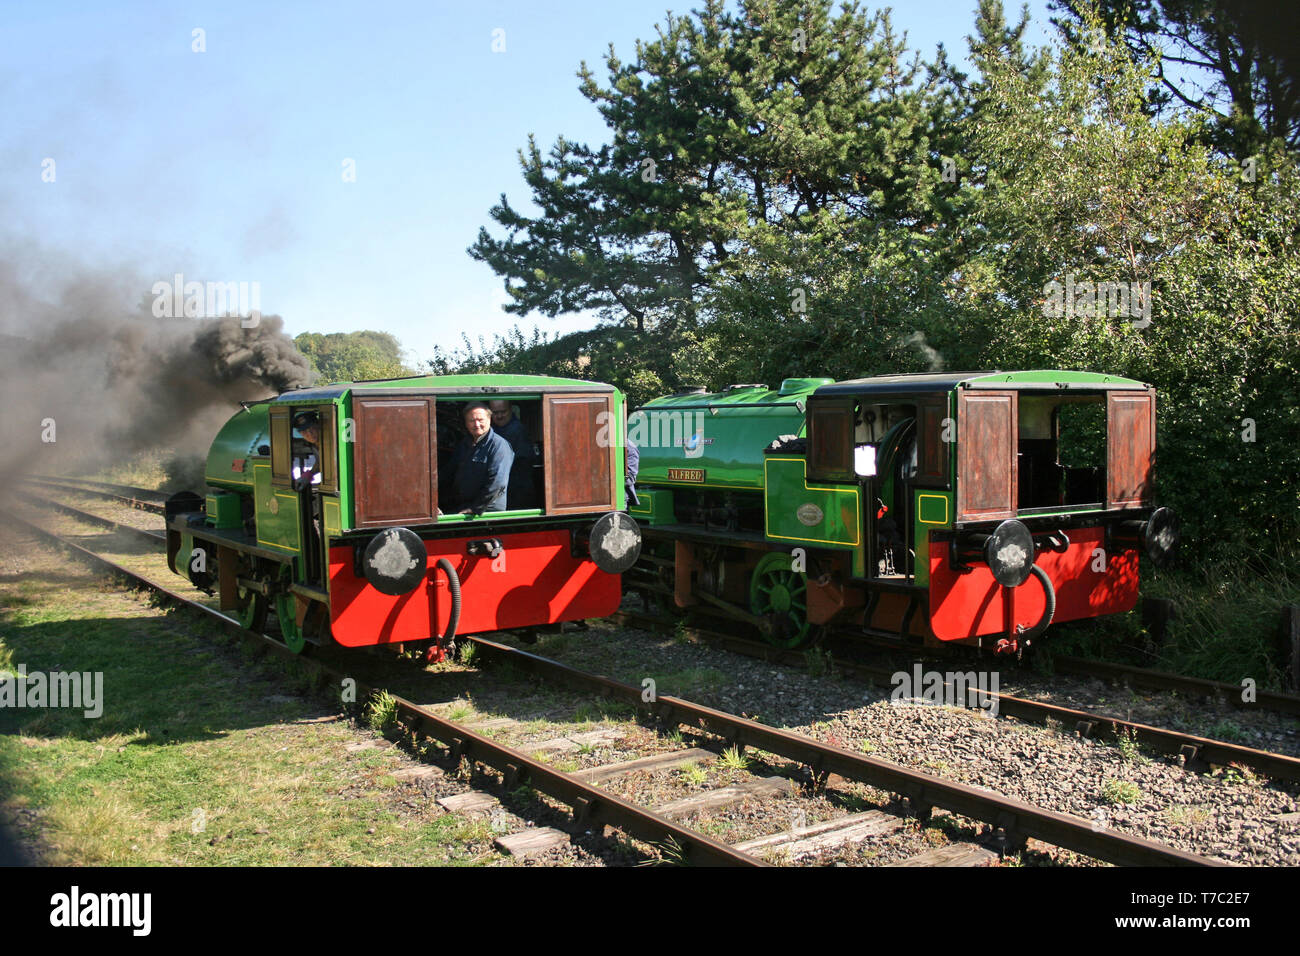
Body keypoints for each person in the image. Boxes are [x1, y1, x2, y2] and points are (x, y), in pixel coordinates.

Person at [446, 402, 514, 515]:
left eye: (480, 420)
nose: (476, 424)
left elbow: (498, 483)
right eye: (472, 421)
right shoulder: (465, 444)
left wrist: (476, 508)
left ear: (489, 420)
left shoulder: (499, 446)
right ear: (466, 423)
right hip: (464, 506)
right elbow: (449, 472)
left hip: (486, 512)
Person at [489, 400, 539, 509]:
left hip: (516, 489)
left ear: (511, 410)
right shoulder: (492, 430)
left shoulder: (517, 431)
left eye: (503, 412)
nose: (499, 416)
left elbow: (522, 464)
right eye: (495, 413)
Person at [291, 410, 323, 489]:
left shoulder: (329, 442)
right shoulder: (314, 445)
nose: (310, 434)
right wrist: (309, 475)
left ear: (318, 426)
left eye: (312, 429)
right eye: (304, 432)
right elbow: (321, 462)